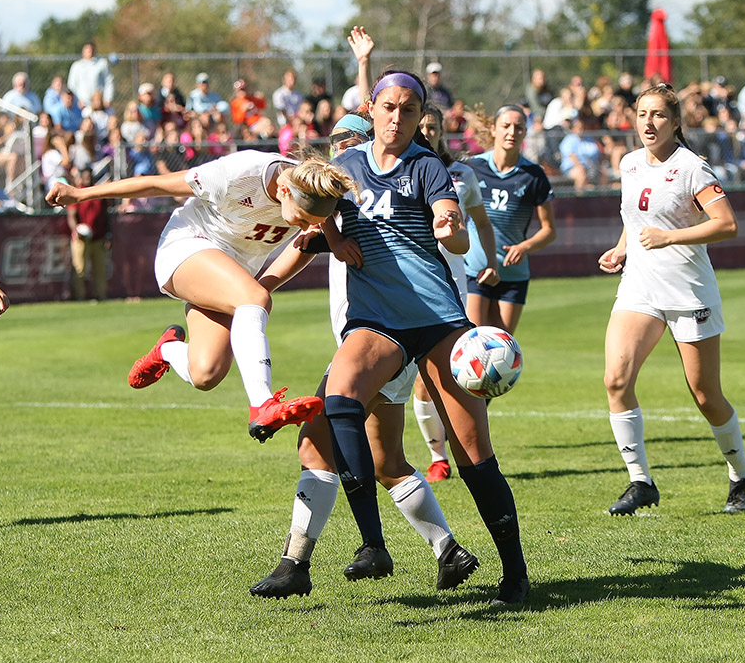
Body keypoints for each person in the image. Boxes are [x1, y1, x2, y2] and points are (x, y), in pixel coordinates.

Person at [292, 68, 529, 604]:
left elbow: (452, 219)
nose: (397, 117)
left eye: (408, 109)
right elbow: (313, 207)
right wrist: (332, 237)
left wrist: (452, 228)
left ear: (419, 116)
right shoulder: (345, 166)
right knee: (339, 397)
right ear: (371, 108)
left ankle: (515, 574)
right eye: (388, 106)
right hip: (376, 318)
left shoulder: (427, 168)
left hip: (438, 320)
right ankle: (373, 545)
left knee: (473, 454)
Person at [250, 112, 478, 599]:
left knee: (315, 443)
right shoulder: (334, 212)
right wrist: (260, 288)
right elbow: (305, 237)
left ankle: (302, 563)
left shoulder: (371, 198)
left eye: (350, 142)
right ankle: (447, 550)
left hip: (383, 339)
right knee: (387, 459)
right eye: (336, 142)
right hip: (377, 341)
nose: (342, 152)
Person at [45, 149, 357, 443]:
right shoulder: (238, 174)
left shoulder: (309, 192)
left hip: (230, 273)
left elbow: (307, 238)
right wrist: (80, 194)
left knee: (206, 372)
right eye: (302, 219)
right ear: (286, 191)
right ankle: (262, 404)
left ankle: (166, 350)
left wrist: (335, 240)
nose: (306, 226)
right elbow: (154, 184)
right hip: (185, 247)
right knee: (256, 299)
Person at [598, 83, 745, 516]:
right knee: (616, 380)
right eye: (642, 113)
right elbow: (636, 219)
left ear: (675, 122)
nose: (648, 122)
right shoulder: (629, 164)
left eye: (659, 115)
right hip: (639, 289)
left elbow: (727, 225)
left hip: (688, 292)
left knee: (705, 395)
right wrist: (621, 248)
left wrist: (671, 237)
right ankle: (640, 481)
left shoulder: (693, 168)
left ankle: (741, 473)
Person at [411, 104, 500, 483]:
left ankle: (473, 452)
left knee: (460, 369)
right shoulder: (401, 170)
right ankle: (437, 456)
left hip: (454, 285)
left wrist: (492, 261)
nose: (428, 133)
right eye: (423, 127)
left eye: (434, 128)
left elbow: (482, 222)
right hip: (412, 284)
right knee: (422, 375)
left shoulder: (462, 174)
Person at [464, 105, 555, 336]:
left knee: (501, 350)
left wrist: (524, 247)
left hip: (513, 273)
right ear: (494, 129)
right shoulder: (472, 167)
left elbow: (549, 230)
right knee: (474, 345)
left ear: (525, 133)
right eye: (506, 126)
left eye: (519, 127)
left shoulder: (534, 175)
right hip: (477, 269)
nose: (512, 132)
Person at [66, 167, 110, 301]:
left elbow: (105, 216)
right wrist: (76, 231)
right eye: (84, 177)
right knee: (79, 269)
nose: (87, 179)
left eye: (89, 176)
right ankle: (80, 297)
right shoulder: (76, 193)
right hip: (81, 238)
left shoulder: (98, 194)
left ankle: (101, 296)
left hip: (98, 238)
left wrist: (108, 234)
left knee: (100, 270)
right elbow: (71, 215)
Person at [67, 41, 115, 110]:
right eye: (87, 50)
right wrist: (76, 101)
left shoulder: (102, 63)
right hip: (82, 105)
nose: (89, 52)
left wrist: (108, 98)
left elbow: (109, 81)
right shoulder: (76, 66)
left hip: (99, 104)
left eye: (91, 50)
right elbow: (72, 85)